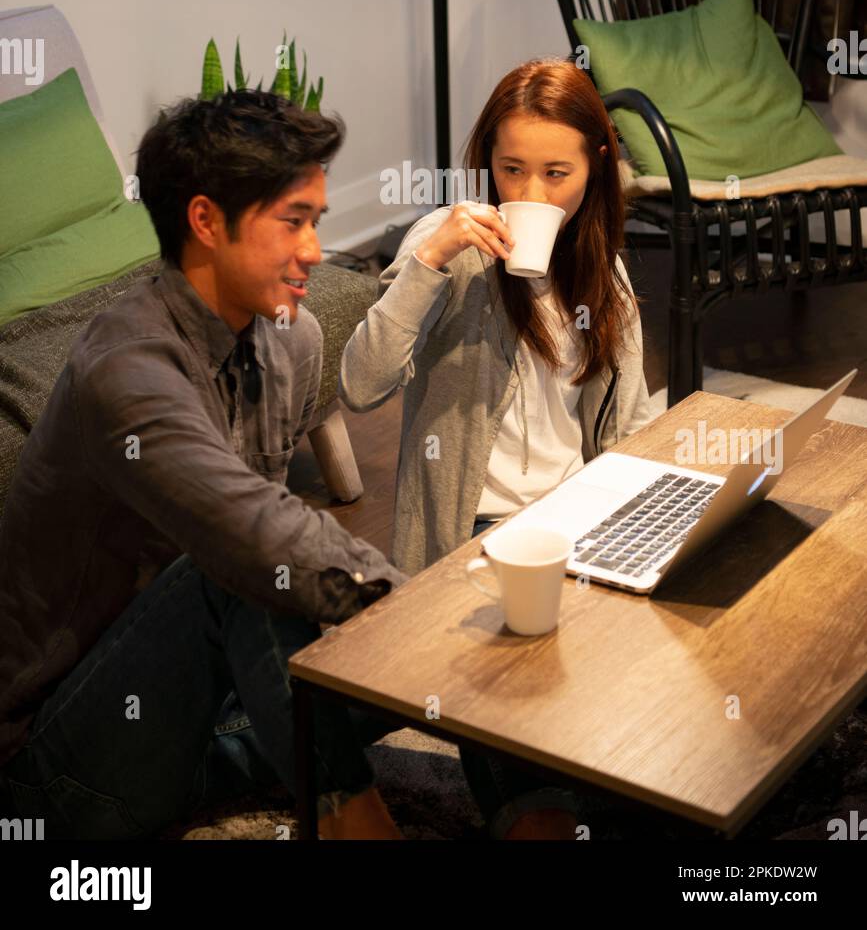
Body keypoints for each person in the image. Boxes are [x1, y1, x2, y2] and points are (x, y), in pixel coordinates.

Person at [0, 88, 411, 841]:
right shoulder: (123, 372)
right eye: (292, 222)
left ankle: (537, 818)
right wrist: (412, 611)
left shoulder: (289, 339)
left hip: (206, 717)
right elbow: (250, 535)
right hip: (62, 769)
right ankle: (359, 828)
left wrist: (457, 628)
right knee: (243, 563)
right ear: (204, 222)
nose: (316, 251)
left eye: (314, 222)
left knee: (483, 638)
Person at [339, 57, 655, 839]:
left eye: (556, 172)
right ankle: (537, 816)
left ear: (596, 166)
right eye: (512, 170)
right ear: (488, 163)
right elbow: (358, 386)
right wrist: (426, 263)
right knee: (517, 682)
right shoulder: (448, 251)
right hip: (474, 537)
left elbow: (625, 427)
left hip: (578, 520)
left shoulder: (603, 274)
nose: (532, 194)